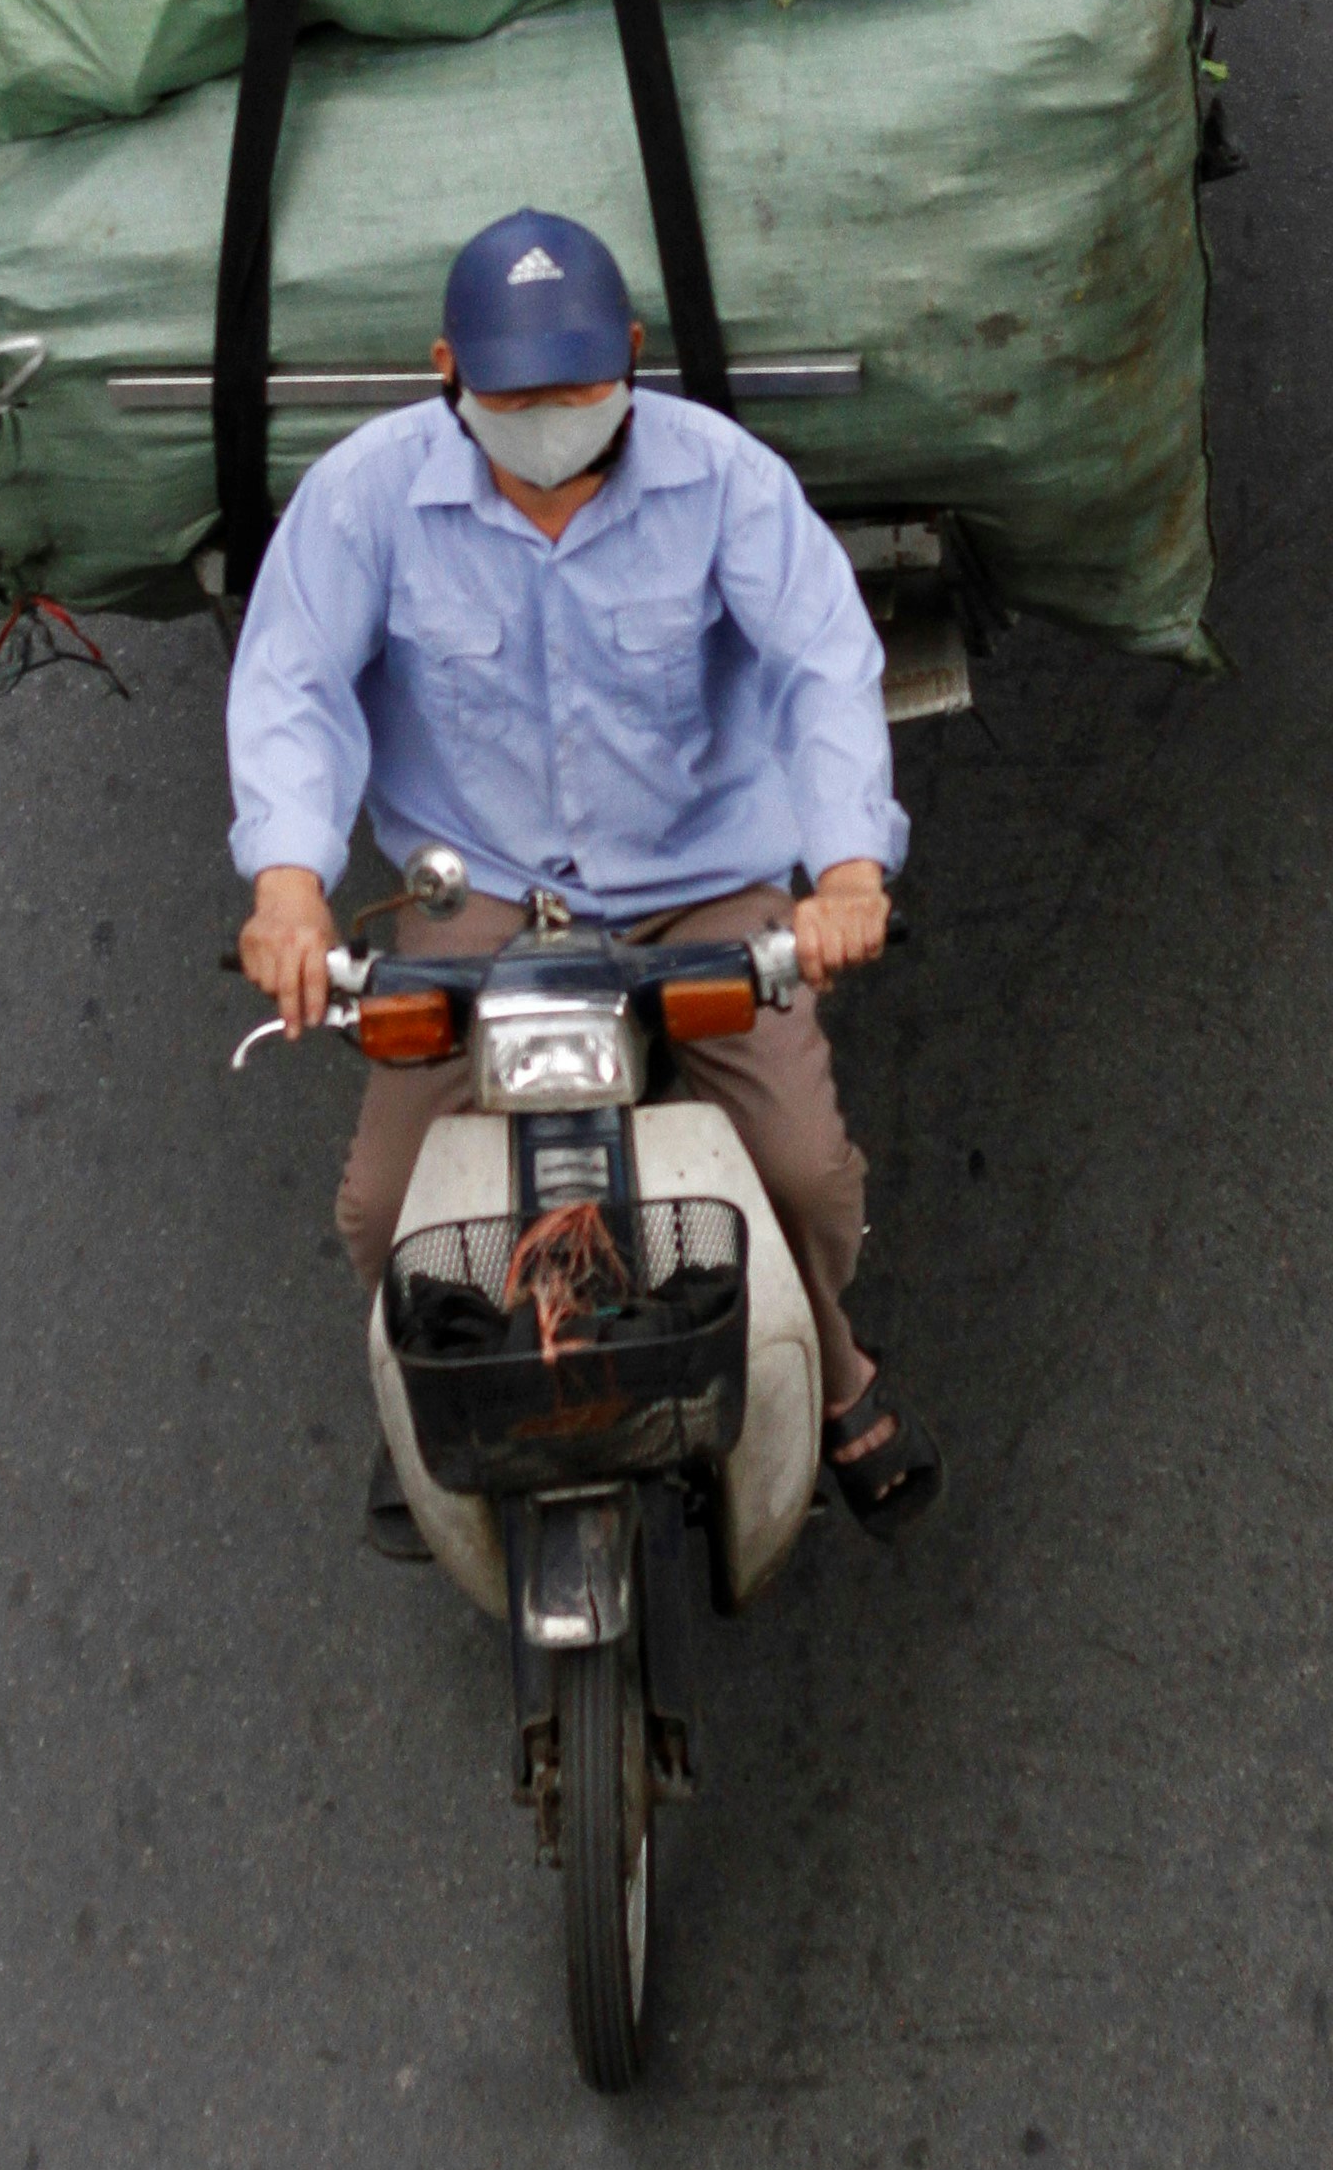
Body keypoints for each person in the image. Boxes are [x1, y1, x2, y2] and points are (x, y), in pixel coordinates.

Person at [228, 206, 944, 1545]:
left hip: (702, 887)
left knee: (803, 1170)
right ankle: (434, 1383)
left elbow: (822, 668)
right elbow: (291, 688)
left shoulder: (722, 481)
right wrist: (288, 883)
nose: (547, 419)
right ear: (447, 368)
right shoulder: (367, 495)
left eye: (575, 387)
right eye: (512, 395)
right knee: (384, 1205)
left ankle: (834, 1369)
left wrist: (848, 869)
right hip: (477, 897)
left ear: (628, 355)